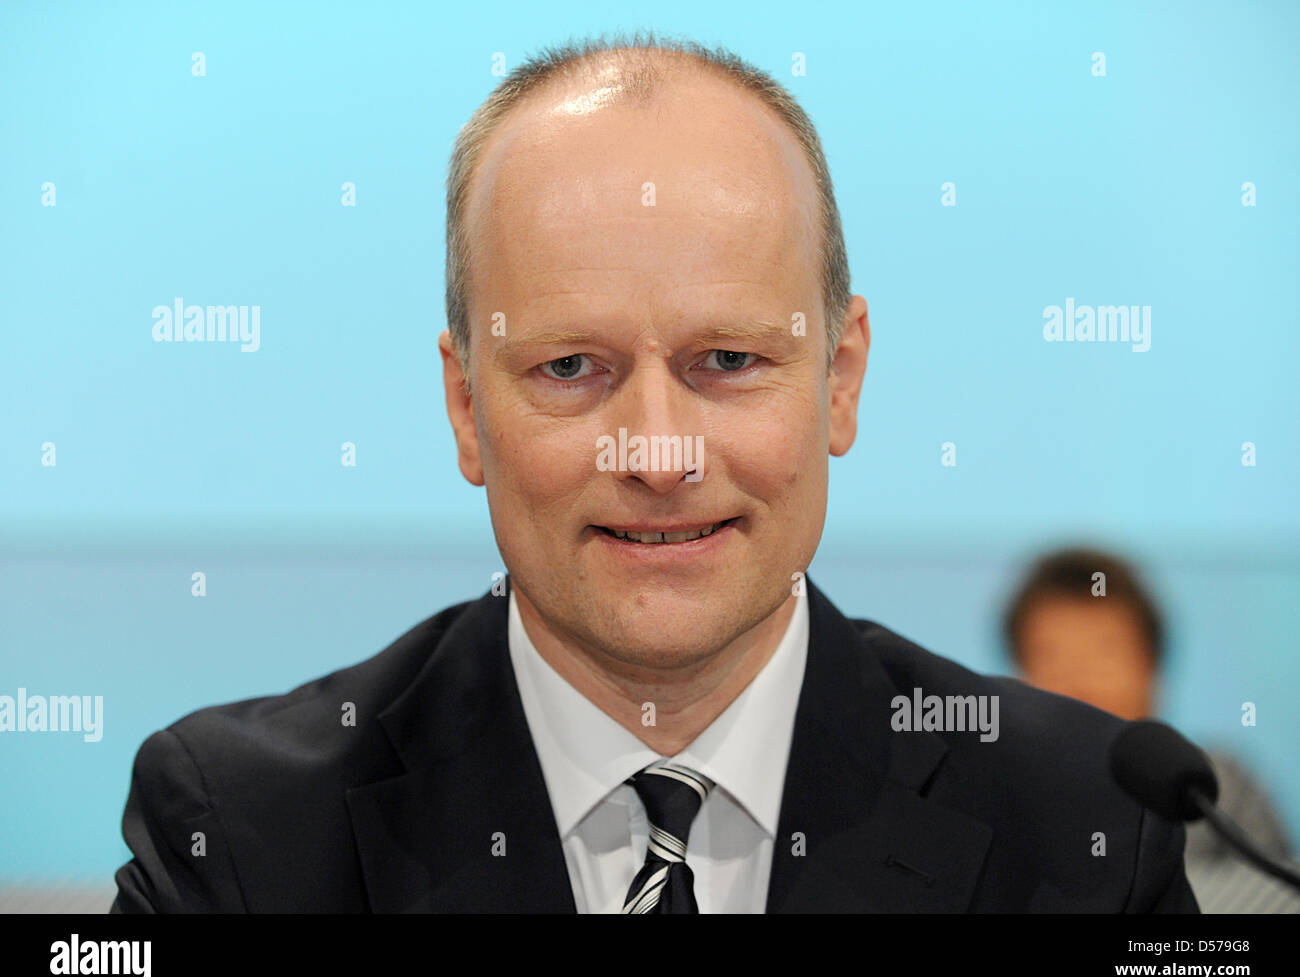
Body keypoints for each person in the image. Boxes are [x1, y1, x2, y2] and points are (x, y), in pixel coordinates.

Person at [110, 35, 1197, 913]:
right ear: (466, 405)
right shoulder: (241, 834)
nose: (658, 453)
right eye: (570, 367)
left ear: (839, 379)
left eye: (727, 361)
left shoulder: (1085, 831)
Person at [1004, 546, 1299, 913]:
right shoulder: (998, 796)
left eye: (1103, 650)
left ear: (1152, 670)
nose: (1077, 679)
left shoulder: (1213, 783)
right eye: (1051, 655)